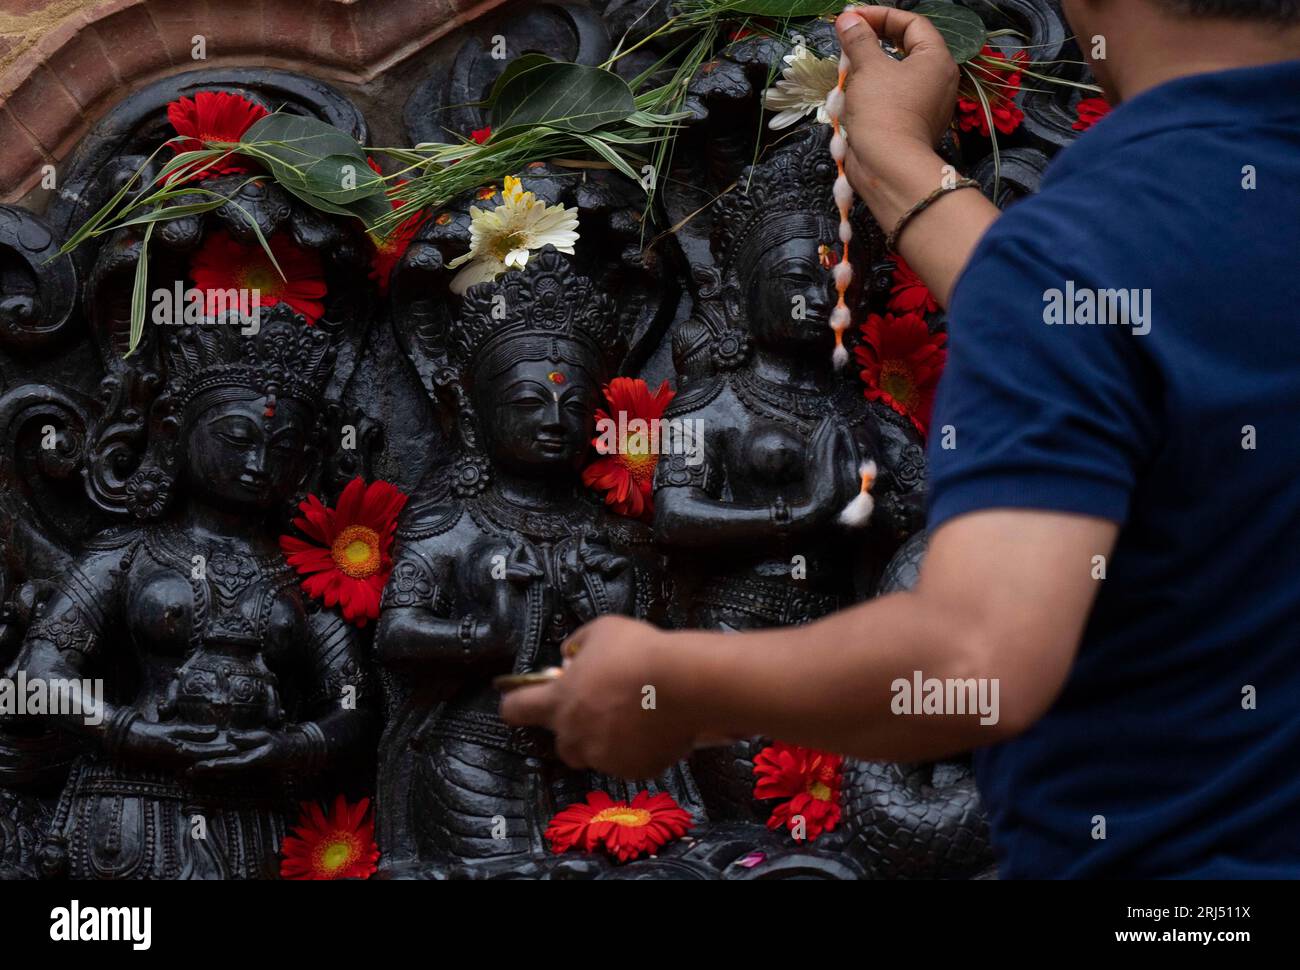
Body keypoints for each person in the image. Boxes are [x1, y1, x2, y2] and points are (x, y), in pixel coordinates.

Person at [502, 0, 1300, 878]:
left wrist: (673, 684)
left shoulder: (1087, 245)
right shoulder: (1123, 247)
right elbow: (1117, 316)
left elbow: (980, 657)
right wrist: (890, 153)